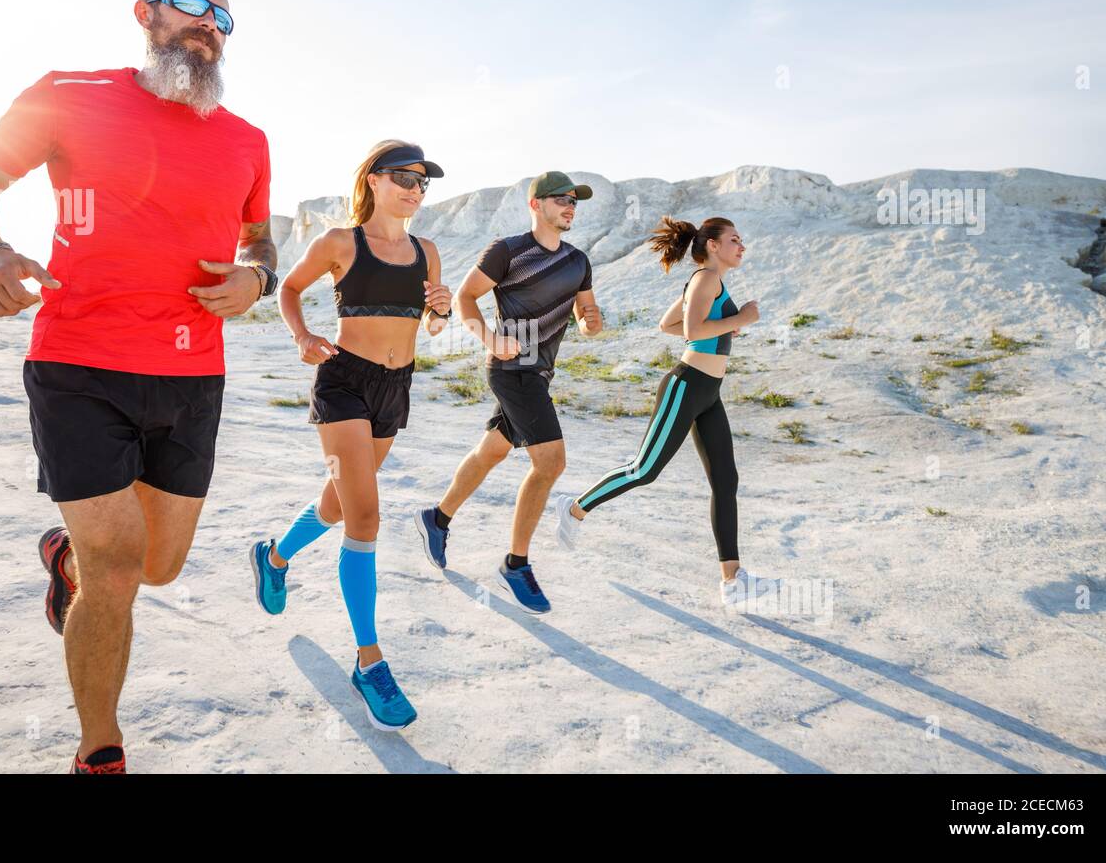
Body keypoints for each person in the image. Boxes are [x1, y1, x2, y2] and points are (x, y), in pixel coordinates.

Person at [0, 0, 276, 773]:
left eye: (223, 18)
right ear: (146, 13)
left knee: (159, 567)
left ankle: (64, 556)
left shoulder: (247, 140)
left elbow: (260, 239)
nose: (210, 26)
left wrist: (258, 276)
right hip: (79, 365)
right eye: (193, 6)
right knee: (119, 570)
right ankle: (100, 751)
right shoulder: (70, 92)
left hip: (194, 378)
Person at [250, 140, 451, 731]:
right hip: (342, 384)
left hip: (396, 387)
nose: (415, 190)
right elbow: (288, 290)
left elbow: (434, 326)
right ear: (374, 179)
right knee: (365, 518)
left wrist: (438, 310)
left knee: (338, 506)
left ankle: (275, 556)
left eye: (423, 182)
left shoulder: (427, 250)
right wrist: (302, 336)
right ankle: (369, 662)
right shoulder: (341, 242)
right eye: (405, 178)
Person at [553, 216, 779, 607]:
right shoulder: (705, 279)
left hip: (710, 392)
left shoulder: (708, 281)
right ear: (712, 245)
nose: (742, 246)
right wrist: (740, 319)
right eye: (734, 239)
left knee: (725, 481)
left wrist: (725, 327)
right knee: (644, 470)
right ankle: (574, 509)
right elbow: (691, 331)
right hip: (686, 386)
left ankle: (733, 580)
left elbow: (667, 324)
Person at [413, 171, 602, 613]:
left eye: (575, 200)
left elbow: (585, 308)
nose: (570, 205)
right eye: (561, 199)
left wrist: (590, 321)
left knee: (493, 451)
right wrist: (490, 340)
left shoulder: (579, 260)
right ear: (536, 205)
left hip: (541, 372)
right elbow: (465, 297)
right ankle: (515, 564)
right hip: (512, 369)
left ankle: (436, 519)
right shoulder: (508, 251)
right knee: (551, 461)